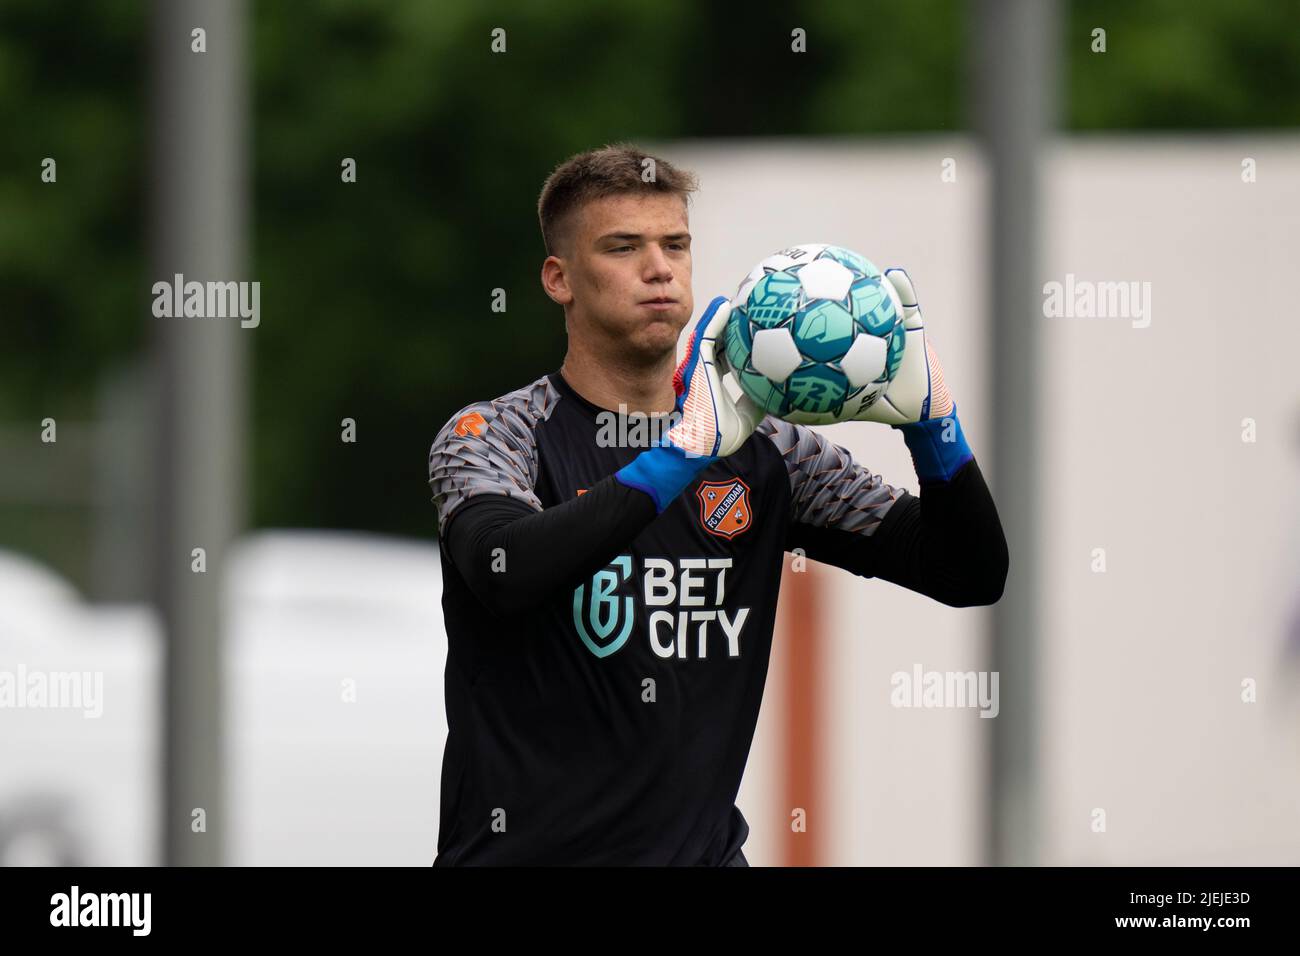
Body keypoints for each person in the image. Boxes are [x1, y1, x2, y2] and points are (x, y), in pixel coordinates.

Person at [427, 143, 1008, 866]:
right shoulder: (496, 434)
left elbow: (968, 574)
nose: (658, 268)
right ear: (559, 278)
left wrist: (935, 429)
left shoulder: (770, 454)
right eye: (622, 247)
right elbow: (506, 570)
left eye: (675, 244)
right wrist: (682, 454)